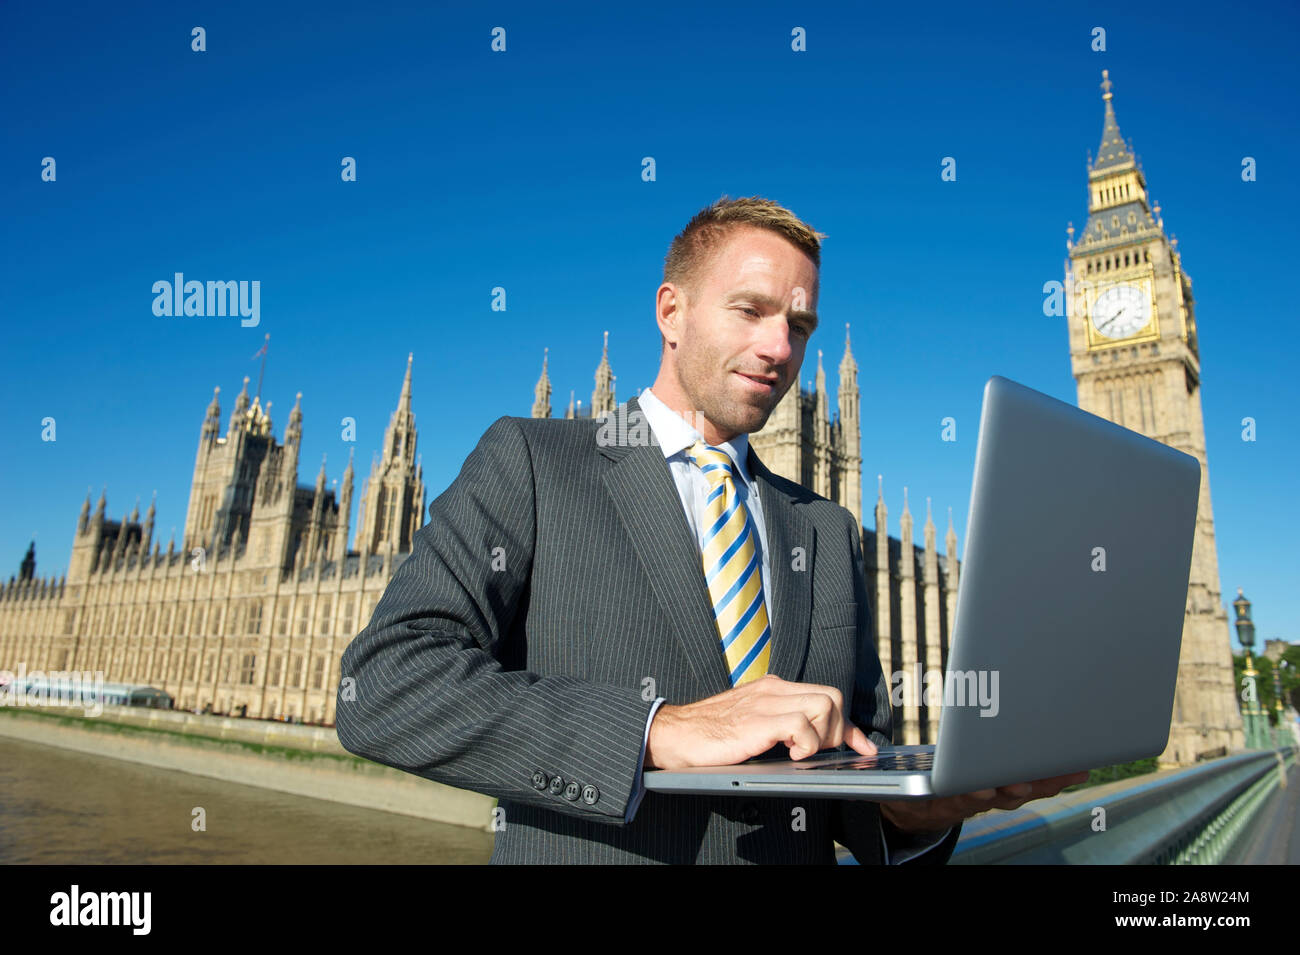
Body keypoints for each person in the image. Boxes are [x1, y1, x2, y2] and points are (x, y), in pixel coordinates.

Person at [334, 195, 1087, 863]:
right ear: (671, 311)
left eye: (799, 324)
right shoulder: (534, 463)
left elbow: (859, 764)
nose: (779, 347)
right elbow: (383, 684)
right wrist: (656, 730)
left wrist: (919, 807)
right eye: (751, 310)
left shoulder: (826, 529)